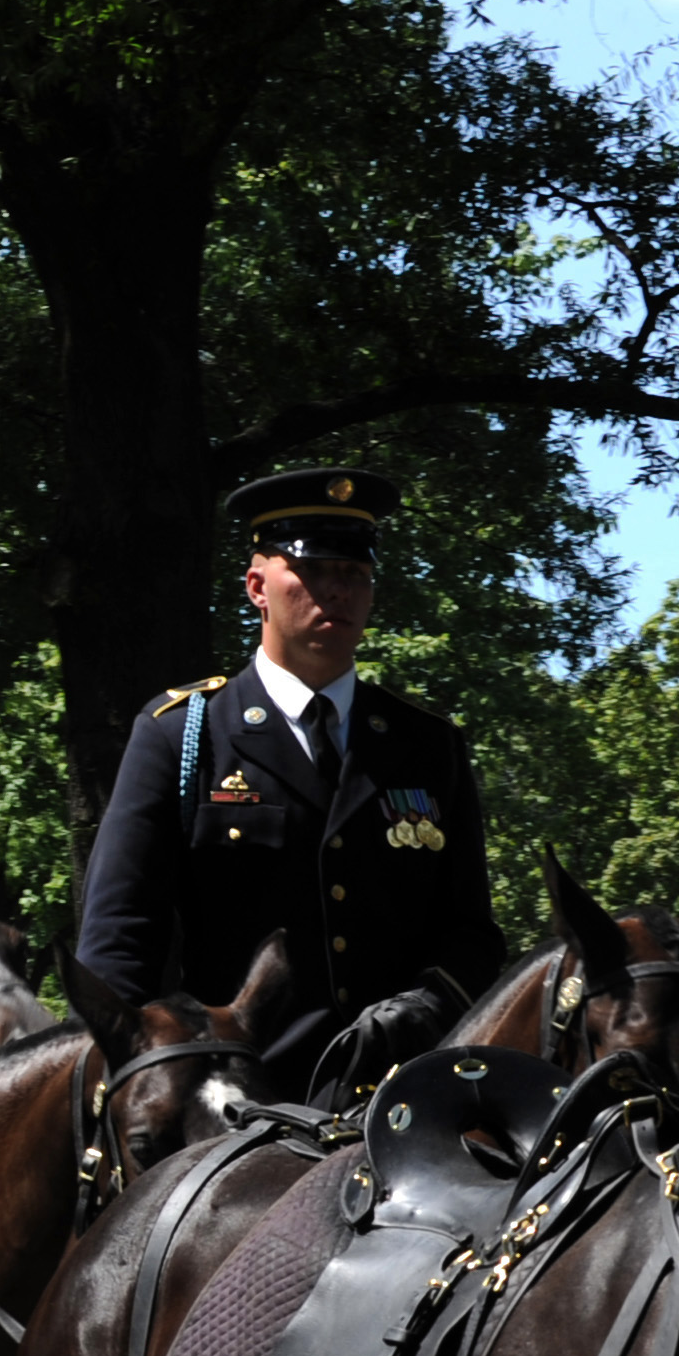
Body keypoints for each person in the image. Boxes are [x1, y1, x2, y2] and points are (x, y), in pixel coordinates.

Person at [76, 470, 509, 1100]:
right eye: (315, 573)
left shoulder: (425, 745)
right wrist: (152, 1085)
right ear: (257, 586)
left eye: (354, 575)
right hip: (238, 1107)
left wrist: (427, 1004)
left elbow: (471, 931)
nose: (336, 590)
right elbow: (118, 946)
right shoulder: (182, 735)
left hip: (405, 1094)